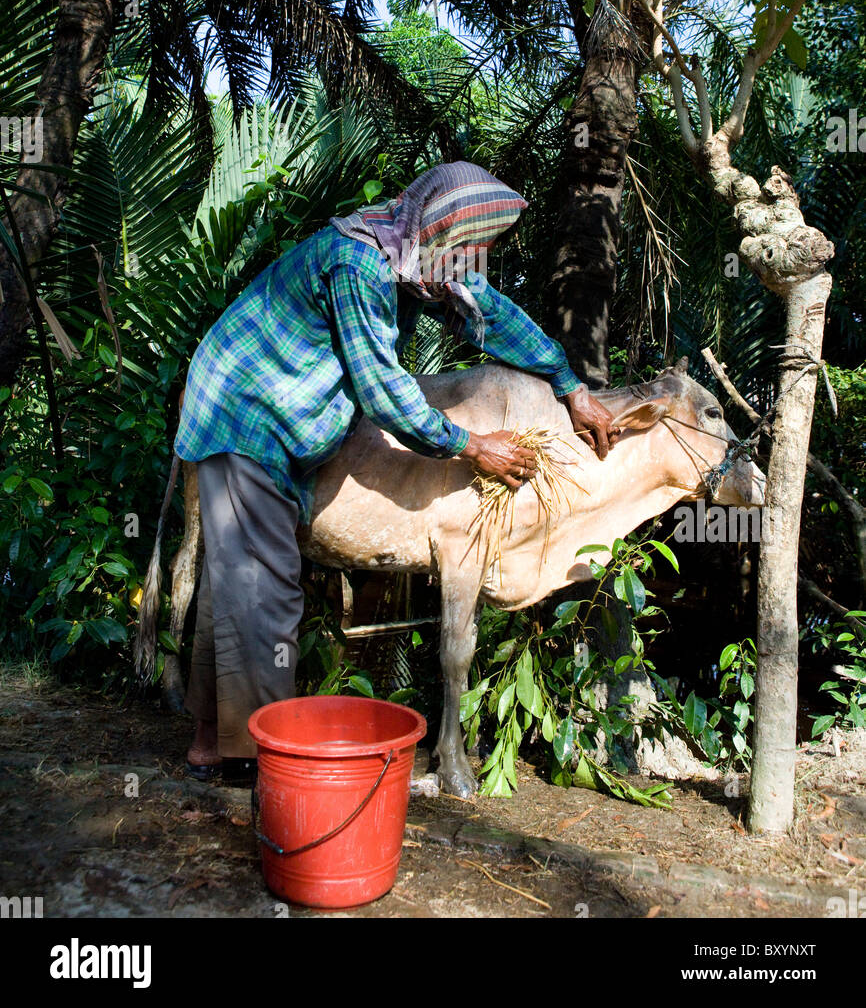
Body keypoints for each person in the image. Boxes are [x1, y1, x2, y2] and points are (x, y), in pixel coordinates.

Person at [175, 161, 616, 779]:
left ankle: (207, 744)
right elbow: (383, 391)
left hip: (270, 404)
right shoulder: (359, 265)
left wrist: (570, 386)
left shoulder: (421, 259)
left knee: (234, 587)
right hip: (244, 408)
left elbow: (498, 317)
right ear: (442, 230)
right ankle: (260, 767)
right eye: (475, 244)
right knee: (264, 587)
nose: (480, 260)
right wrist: (471, 444)